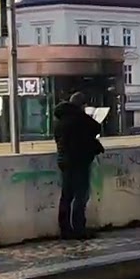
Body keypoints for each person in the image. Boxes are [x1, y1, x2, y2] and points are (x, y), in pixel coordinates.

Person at [52, 91, 104, 239]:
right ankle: (79, 228)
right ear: (81, 105)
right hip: (79, 161)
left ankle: (65, 229)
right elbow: (96, 128)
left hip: (64, 161)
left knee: (66, 196)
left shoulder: (60, 121)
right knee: (81, 196)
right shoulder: (79, 118)